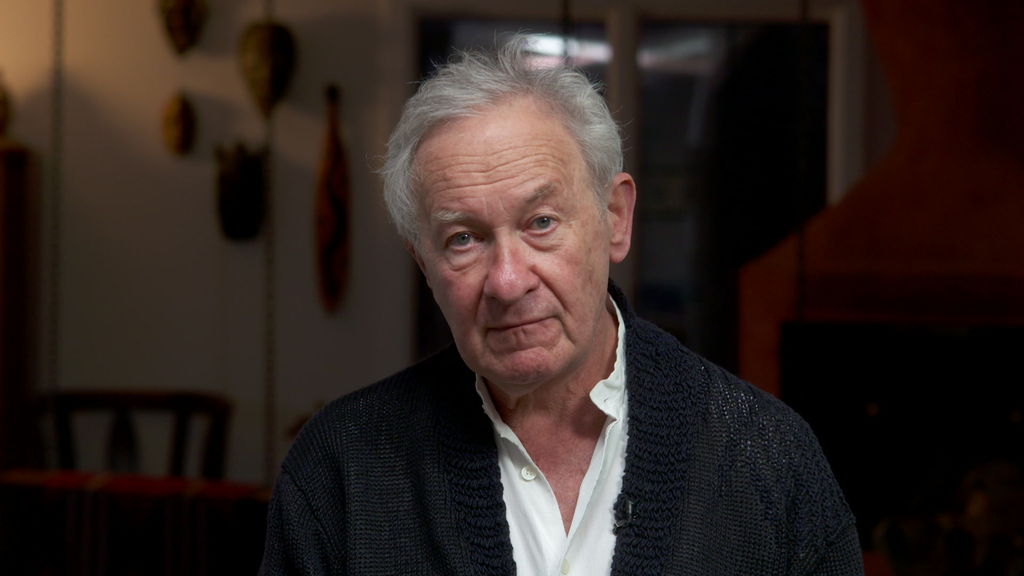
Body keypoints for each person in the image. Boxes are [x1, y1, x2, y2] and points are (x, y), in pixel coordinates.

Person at [260, 35, 863, 575]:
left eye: (541, 222)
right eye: (463, 239)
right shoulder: (341, 468)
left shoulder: (768, 457)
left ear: (615, 218)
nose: (507, 281)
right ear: (423, 263)